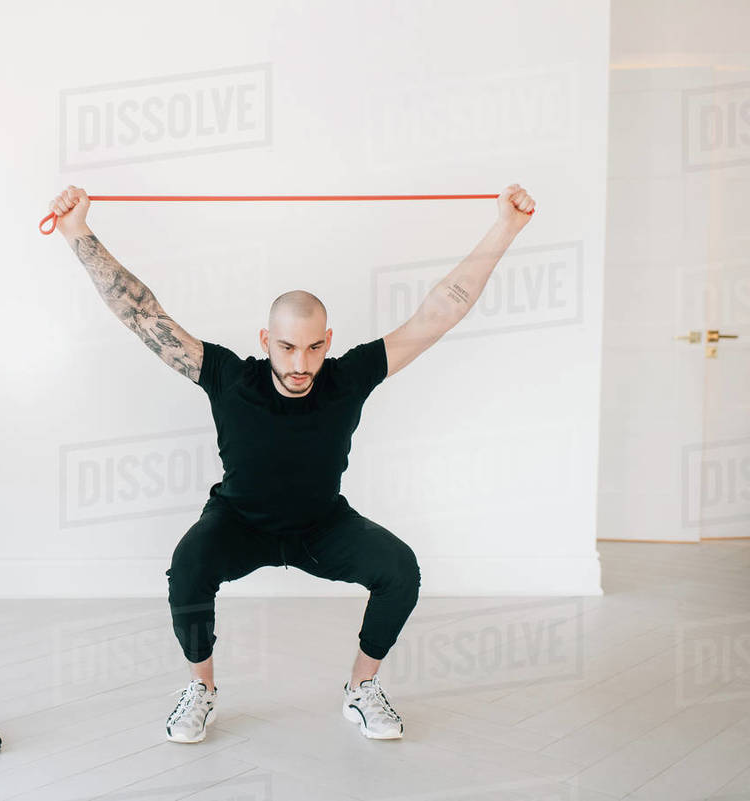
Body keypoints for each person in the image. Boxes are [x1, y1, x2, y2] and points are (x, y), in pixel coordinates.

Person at [46, 183, 536, 742]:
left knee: (400, 570)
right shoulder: (229, 377)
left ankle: (361, 688)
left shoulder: (348, 377)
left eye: (312, 348)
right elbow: (142, 313)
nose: (300, 364)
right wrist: (77, 232)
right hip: (240, 524)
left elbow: (438, 312)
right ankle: (200, 689)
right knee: (187, 568)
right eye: (286, 347)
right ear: (266, 340)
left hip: (320, 527)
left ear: (327, 341)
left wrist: (506, 228)